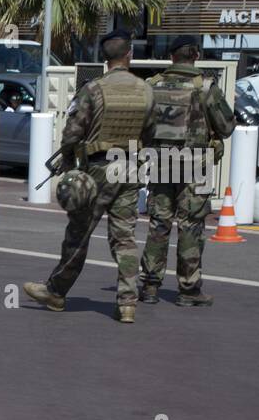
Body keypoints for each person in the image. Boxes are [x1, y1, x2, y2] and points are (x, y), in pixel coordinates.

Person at [23, 29, 155, 324]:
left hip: (97, 168)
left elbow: (73, 133)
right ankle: (127, 303)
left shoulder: (93, 89)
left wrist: (69, 163)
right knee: (125, 237)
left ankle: (56, 293)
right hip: (130, 169)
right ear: (129, 55)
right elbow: (150, 133)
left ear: (105, 58)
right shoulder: (146, 90)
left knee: (79, 234)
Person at [139, 35, 236, 306]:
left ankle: (149, 286)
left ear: (171, 56)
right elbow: (227, 127)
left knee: (159, 224)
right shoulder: (205, 87)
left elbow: (141, 125)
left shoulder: (152, 86)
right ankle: (189, 290)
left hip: (160, 164)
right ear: (195, 54)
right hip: (196, 168)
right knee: (191, 225)